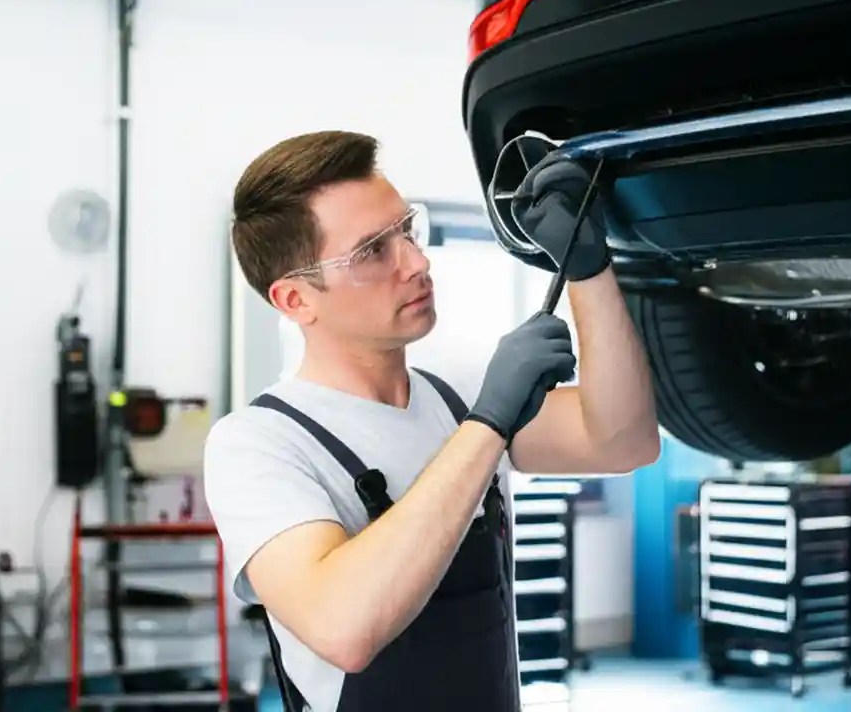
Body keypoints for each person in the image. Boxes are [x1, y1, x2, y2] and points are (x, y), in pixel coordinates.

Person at [204, 131, 660, 712]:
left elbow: (625, 443)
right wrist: (489, 423)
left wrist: (588, 271)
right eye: (373, 250)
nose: (417, 263)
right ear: (295, 301)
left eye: (406, 231)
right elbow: (345, 627)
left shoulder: (455, 391)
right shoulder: (258, 444)